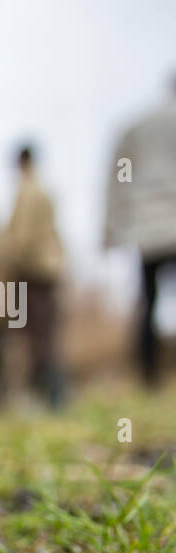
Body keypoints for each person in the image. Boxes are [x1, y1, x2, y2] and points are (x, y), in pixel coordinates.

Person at [105, 74, 176, 387]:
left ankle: (150, 376)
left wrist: (110, 229)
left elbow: (116, 180)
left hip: (147, 228)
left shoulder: (136, 127)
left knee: (148, 301)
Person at [2, 144, 66, 407]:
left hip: (33, 272)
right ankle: (53, 395)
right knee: (47, 333)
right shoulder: (45, 189)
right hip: (49, 269)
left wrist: (7, 263)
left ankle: (50, 396)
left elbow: (23, 238)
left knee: (35, 337)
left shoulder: (27, 193)